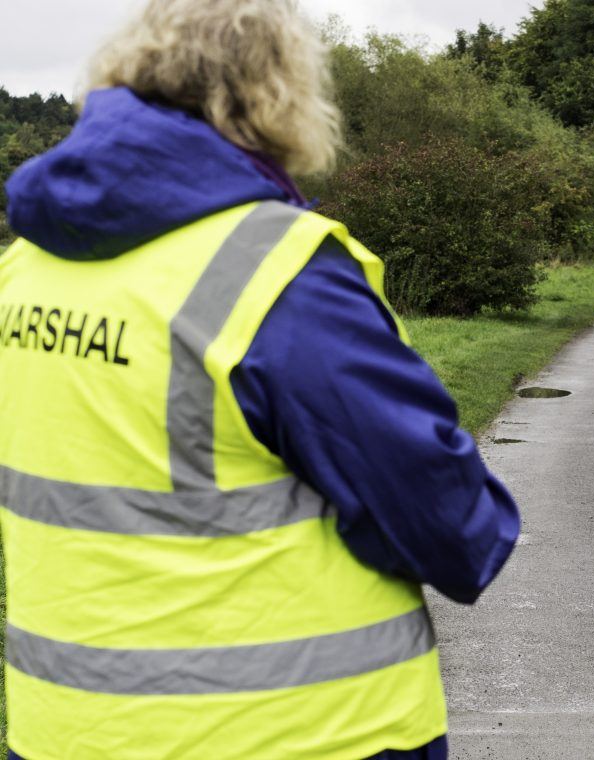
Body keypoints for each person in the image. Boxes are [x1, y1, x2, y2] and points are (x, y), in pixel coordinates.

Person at [0, 2, 519, 758]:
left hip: (66, 731)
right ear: (277, 92)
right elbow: (454, 531)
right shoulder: (273, 272)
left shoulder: (23, 271)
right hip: (291, 732)